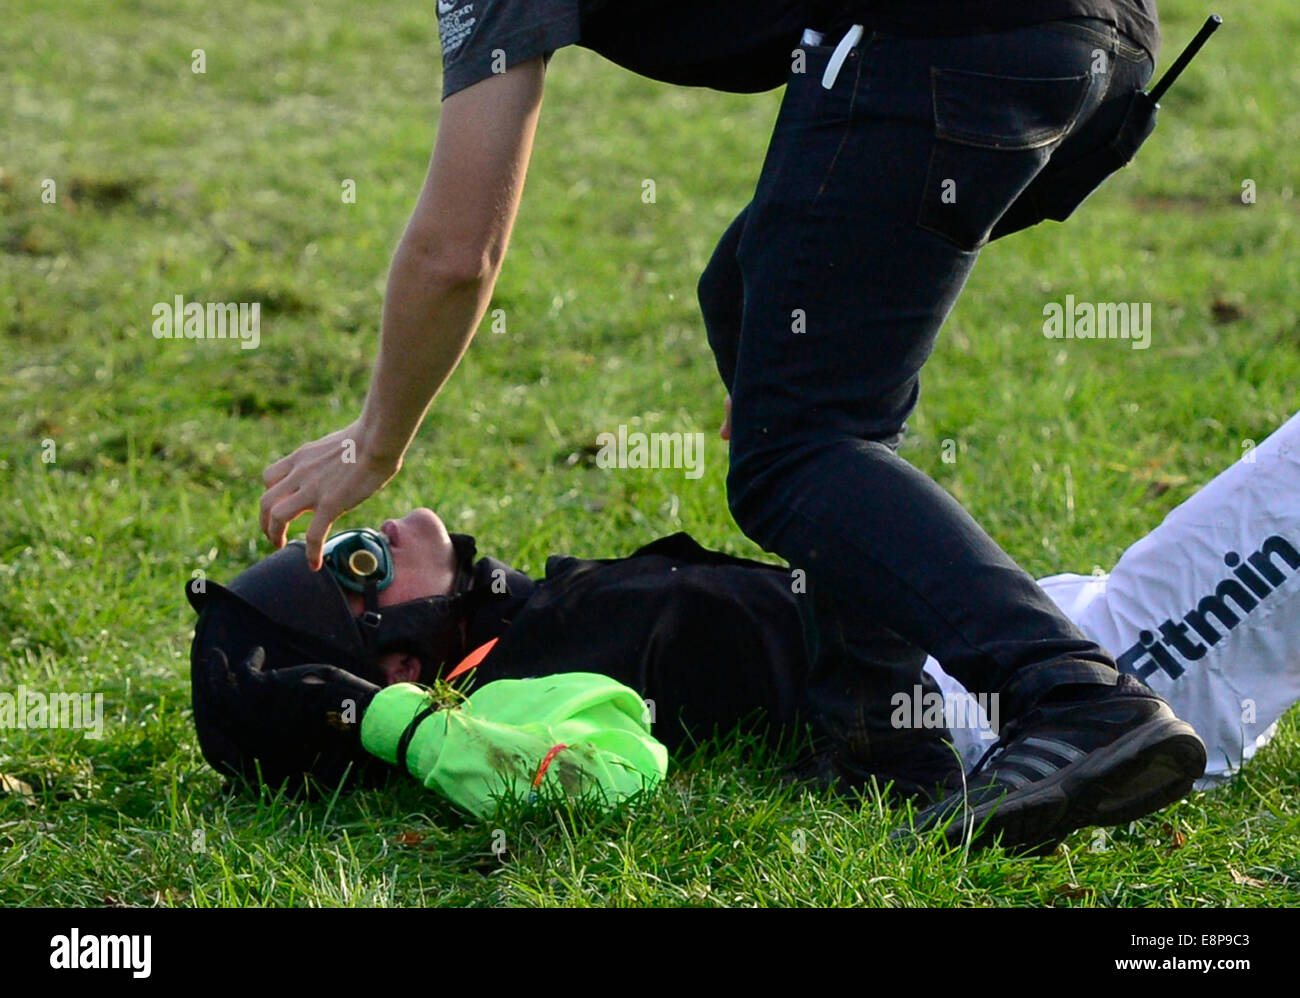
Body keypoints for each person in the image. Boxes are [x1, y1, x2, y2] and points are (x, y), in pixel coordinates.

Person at [254, 1, 1208, 850]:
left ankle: (1076, 696)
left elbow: (459, 249)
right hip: (1095, 45)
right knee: (748, 297)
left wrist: (376, 440)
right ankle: (876, 734)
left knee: (796, 450)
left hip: (949, 43)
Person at [196, 410, 1300, 845]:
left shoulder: (521, 620)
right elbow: (599, 770)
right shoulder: (506, 692)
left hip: (1039, 629)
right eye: (359, 567)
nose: (379, 529)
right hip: (1055, 708)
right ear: (398, 654)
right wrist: (379, 719)